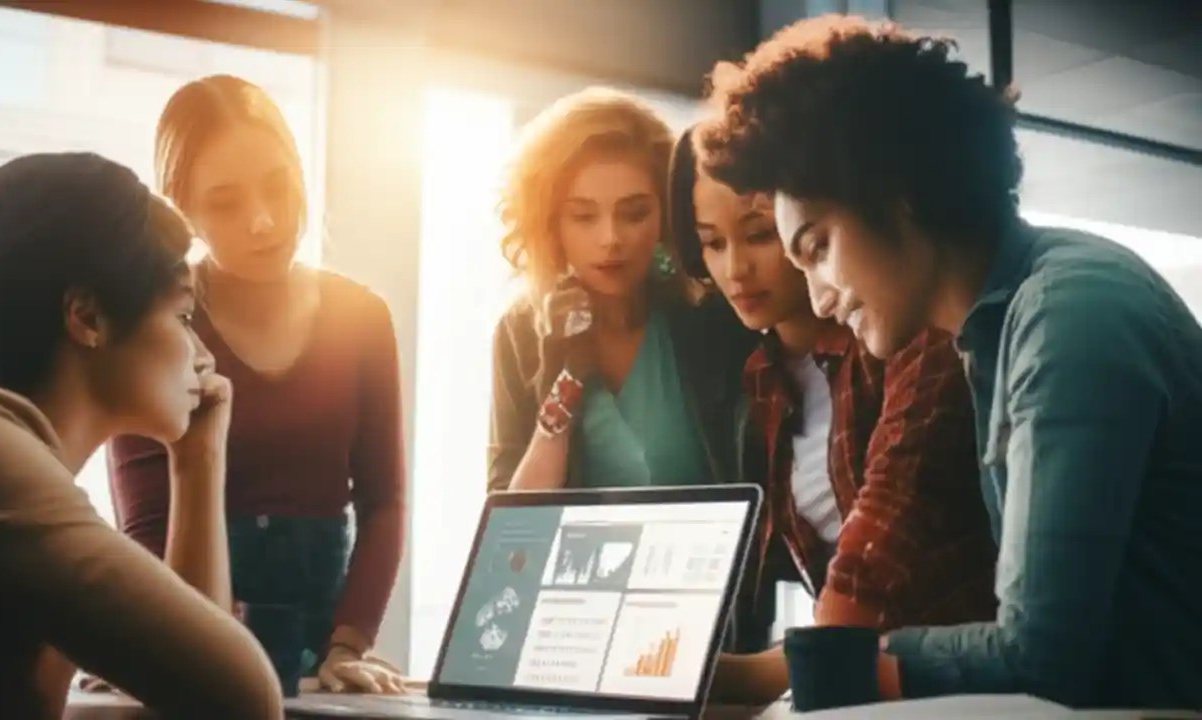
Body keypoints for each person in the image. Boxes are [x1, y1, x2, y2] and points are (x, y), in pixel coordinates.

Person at [695, 14, 1202, 710]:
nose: (816, 294)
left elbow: (1041, 655)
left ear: (895, 192)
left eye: (816, 246)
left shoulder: (1069, 313)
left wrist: (838, 667)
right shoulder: (1000, 325)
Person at [0, 152, 282, 718]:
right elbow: (240, 696)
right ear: (87, 317)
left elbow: (193, 689)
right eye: (184, 318)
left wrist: (198, 461)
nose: (205, 358)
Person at [108, 75, 406, 694]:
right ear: (180, 208)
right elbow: (144, 520)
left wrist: (348, 644)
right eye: (225, 202)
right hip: (183, 632)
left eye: (278, 185)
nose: (264, 221)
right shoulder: (156, 325)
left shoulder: (364, 317)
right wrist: (140, 640)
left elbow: (385, 501)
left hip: (323, 657)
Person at [668, 127, 997, 665]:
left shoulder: (903, 332)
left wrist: (744, 677)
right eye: (712, 242)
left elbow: (890, 520)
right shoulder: (763, 380)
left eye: (758, 235)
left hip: (966, 679)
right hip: (868, 681)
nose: (735, 270)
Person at [488, 87, 753, 495]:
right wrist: (568, 377)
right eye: (583, 216)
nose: (611, 238)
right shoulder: (522, 330)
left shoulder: (713, 316)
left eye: (634, 214)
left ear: (667, 213)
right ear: (550, 224)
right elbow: (510, 520)